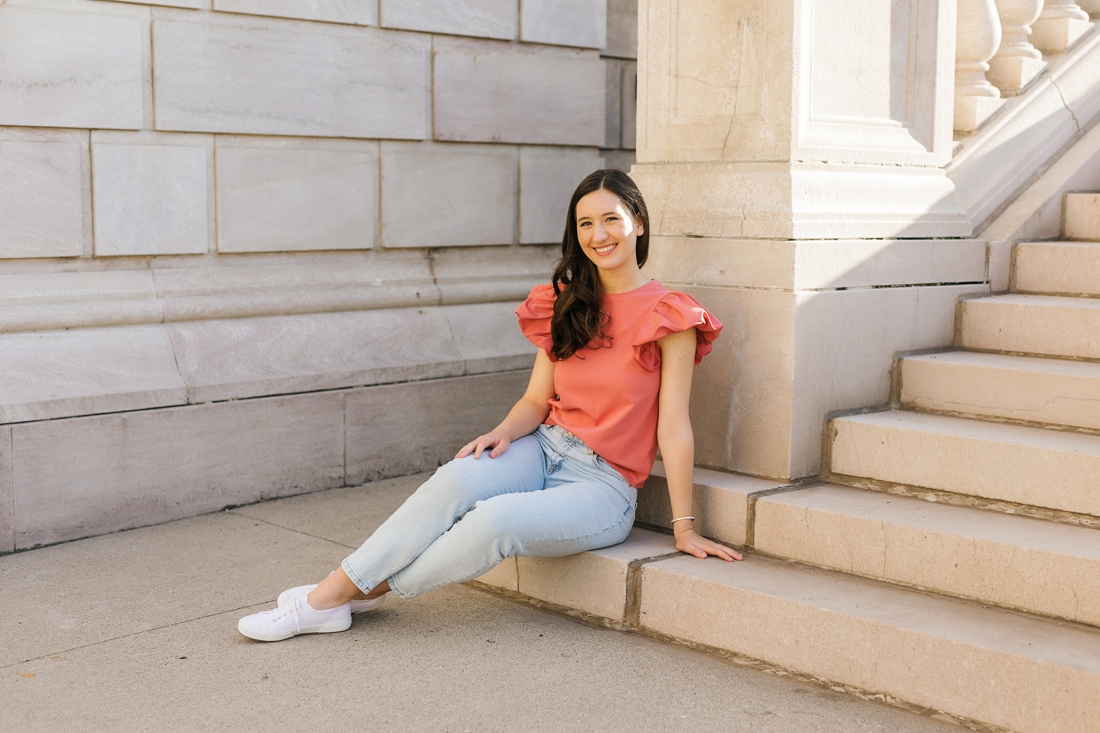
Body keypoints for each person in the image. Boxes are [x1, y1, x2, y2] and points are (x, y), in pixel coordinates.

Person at [237, 169, 741, 642]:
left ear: (639, 223)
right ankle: (332, 597)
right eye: (585, 223)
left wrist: (684, 527)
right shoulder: (565, 302)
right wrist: (503, 431)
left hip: (604, 488)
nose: (598, 233)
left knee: (494, 522)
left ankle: (341, 595)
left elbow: (674, 428)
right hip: (544, 448)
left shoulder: (670, 315)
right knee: (457, 477)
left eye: (612, 218)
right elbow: (535, 400)